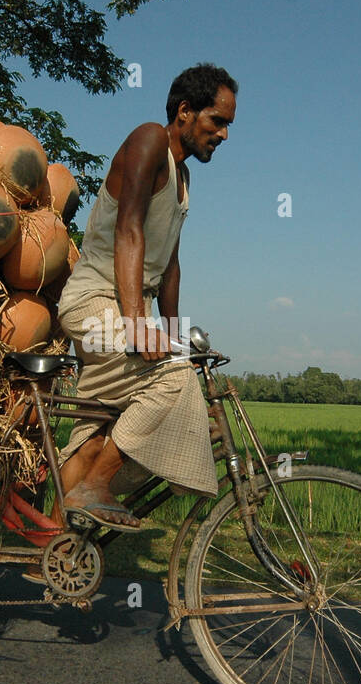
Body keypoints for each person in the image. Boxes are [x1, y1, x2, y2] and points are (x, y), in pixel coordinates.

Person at [52, 63, 237, 531]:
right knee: (171, 381)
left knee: (96, 436)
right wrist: (137, 323)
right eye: (218, 121)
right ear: (185, 112)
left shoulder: (184, 179)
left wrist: (172, 334)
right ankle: (93, 487)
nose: (224, 134)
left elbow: (169, 263)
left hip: (123, 309)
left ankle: (51, 548)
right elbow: (128, 229)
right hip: (92, 306)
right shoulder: (149, 139)